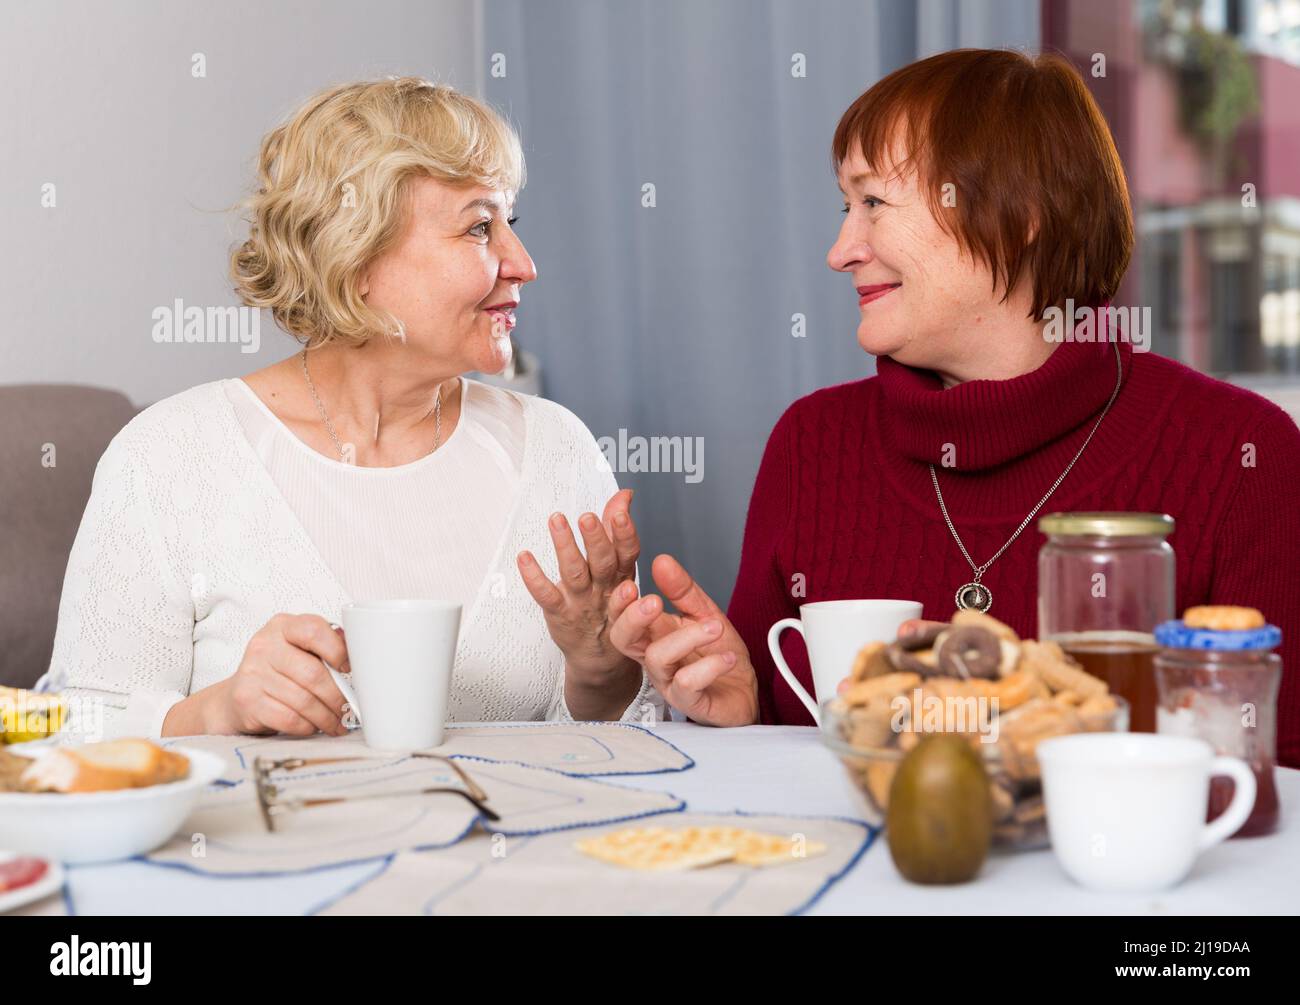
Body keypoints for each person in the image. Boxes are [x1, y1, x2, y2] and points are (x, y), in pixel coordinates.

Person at [607, 49, 1300, 767]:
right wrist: (743, 710)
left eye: (874, 202)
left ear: (1021, 210)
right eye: (846, 207)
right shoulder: (811, 443)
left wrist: (1021, 717)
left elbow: (1274, 784)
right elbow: (786, 764)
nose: (841, 249)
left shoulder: (1244, 454)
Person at [40, 78, 661, 739]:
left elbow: (626, 753)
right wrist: (218, 712)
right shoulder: (165, 458)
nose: (523, 263)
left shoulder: (557, 448)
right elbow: (70, 730)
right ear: (354, 255)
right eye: (481, 227)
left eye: (512, 223)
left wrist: (601, 675)